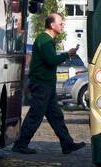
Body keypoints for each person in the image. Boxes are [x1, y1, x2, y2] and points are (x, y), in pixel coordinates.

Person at [11, 13, 86, 155]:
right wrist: (68, 54)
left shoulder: (47, 40)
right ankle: (20, 144)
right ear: (52, 26)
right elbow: (51, 60)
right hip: (42, 84)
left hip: (47, 85)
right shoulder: (44, 40)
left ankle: (67, 144)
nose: (63, 25)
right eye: (60, 23)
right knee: (35, 115)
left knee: (56, 116)